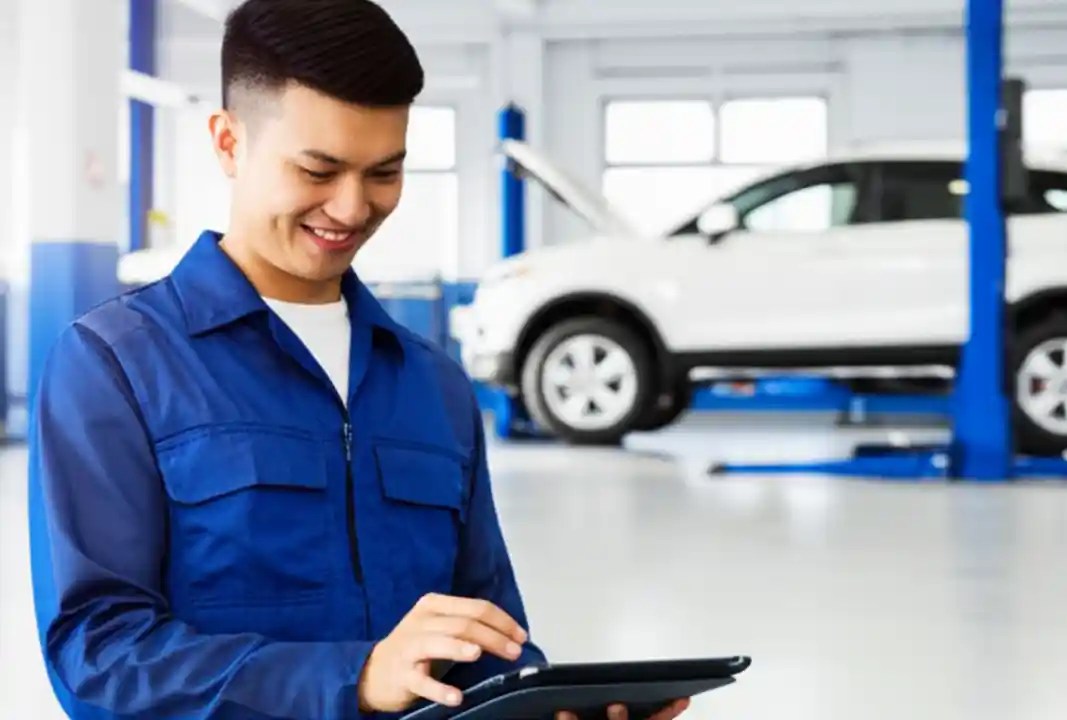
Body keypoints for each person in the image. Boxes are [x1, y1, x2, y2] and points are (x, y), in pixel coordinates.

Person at [28, 1, 690, 719]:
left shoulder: (433, 384)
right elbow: (96, 658)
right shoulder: (115, 365)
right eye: (319, 169)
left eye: (384, 172)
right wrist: (356, 678)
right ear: (228, 143)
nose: (351, 208)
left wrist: (541, 706)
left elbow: (484, 640)